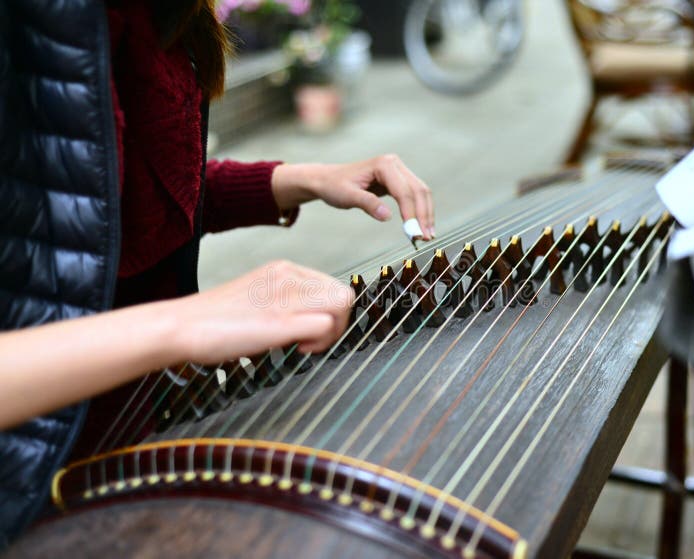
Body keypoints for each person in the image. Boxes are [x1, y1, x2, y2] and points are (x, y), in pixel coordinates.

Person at [0, 0, 434, 547]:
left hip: (134, 429)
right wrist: (181, 325)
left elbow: (110, 204)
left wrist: (300, 178)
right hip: (34, 482)